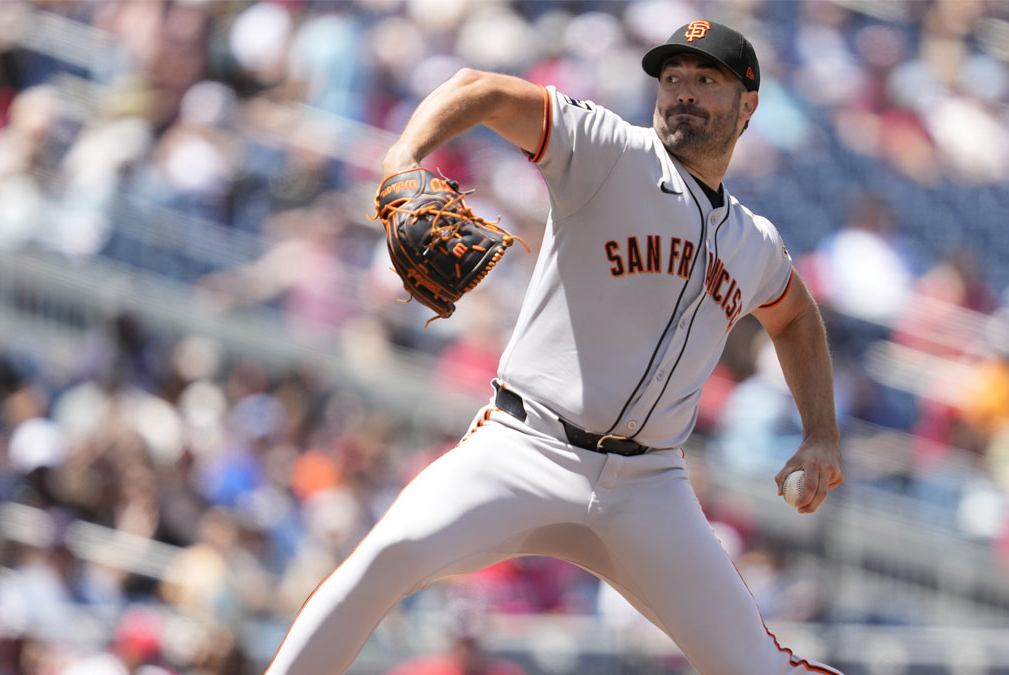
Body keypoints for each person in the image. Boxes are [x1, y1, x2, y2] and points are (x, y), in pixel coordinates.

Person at [267, 21, 844, 674]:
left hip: (650, 486)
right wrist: (403, 157)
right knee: (386, 556)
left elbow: (795, 317)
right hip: (525, 446)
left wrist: (821, 431)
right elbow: (477, 88)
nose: (682, 92)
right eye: (673, 78)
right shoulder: (609, 150)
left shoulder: (755, 242)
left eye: (705, 80)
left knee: (761, 667)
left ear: (748, 104)